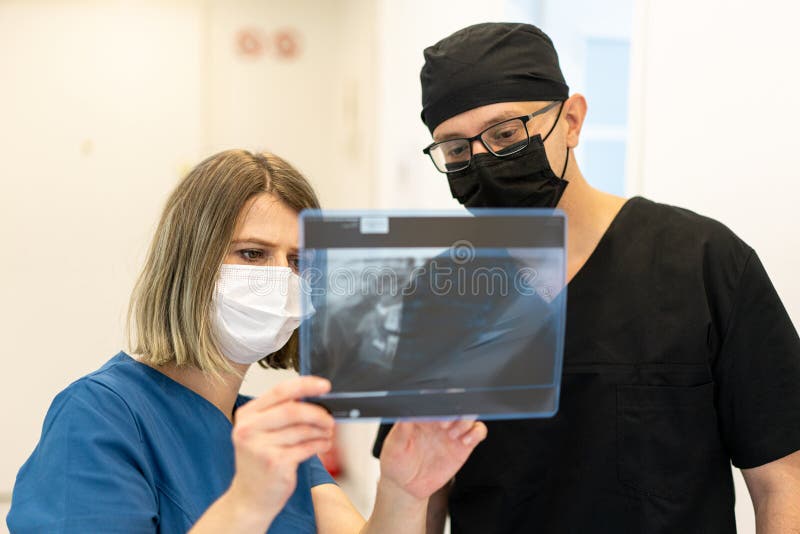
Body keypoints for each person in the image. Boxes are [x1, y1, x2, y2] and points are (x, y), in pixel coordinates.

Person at [373, 23, 800, 533]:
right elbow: (419, 501)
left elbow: (783, 480)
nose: (483, 161)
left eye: (506, 134)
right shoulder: (438, 296)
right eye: (457, 150)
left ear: (572, 121)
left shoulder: (705, 264)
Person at [7, 149, 488, 533]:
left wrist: (404, 491)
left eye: (299, 261)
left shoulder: (269, 429)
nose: (282, 278)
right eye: (253, 253)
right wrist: (247, 504)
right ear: (189, 264)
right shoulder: (100, 416)